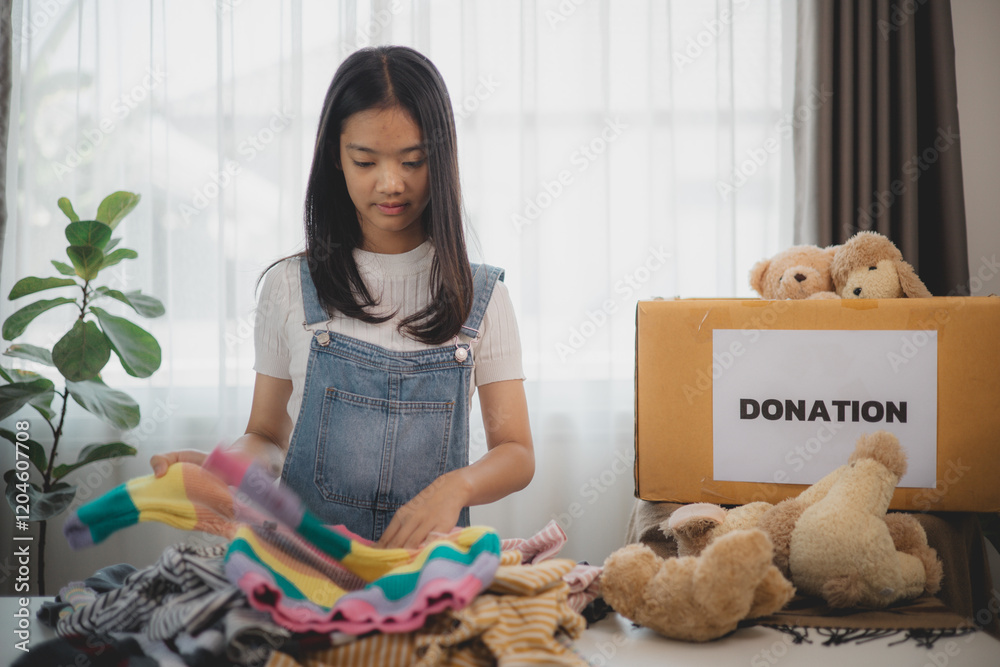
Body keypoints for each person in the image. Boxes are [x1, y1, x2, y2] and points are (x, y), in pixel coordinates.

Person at [150, 45, 533, 549]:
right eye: (366, 160)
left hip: (423, 577)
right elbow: (266, 436)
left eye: (413, 161)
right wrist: (225, 469)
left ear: (439, 157)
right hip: (305, 569)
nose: (390, 183)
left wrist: (456, 486)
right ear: (336, 155)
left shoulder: (481, 296)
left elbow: (516, 452)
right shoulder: (290, 285)